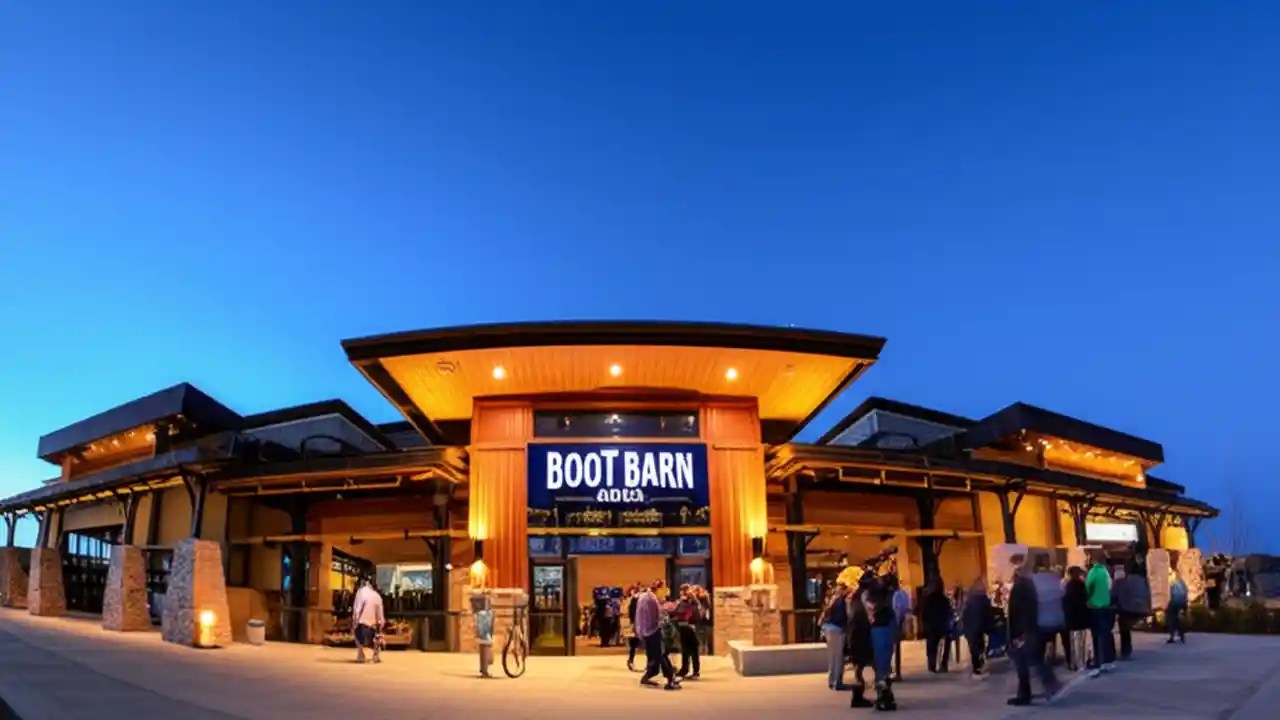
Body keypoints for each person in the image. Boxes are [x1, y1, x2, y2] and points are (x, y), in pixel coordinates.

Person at [1007, 556, 1061, 706]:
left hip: (1024, 629)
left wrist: (1016, 633)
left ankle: (1030, 691)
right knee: (1032, 658)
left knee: (1025, 660)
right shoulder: (1030, 586)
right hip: (1031, 628)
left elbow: (1016, 611)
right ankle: (1046, 684)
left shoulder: (1021, 587)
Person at [636, 581, 679, 690]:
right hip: (652, 631)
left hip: (645, 631)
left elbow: (639, 616)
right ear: (659, 589)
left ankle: (648, 676)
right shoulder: (652, 599)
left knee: (655, 656)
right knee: (661, 655)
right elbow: (656, 617)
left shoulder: (643, 597)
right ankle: (670, 679)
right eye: (664, 589)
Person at [864, 579, 897, 711]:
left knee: (880, 666)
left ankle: (882, 692)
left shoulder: (875, 609)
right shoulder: (887, 609)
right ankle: (884, 691)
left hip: (878, 634)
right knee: (884, 665)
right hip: (885, 633)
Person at [1030, 558, 1067, 668]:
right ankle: (1067, 658)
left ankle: (1040, 662)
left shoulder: (1033, 581)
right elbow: (1063, 596)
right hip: (1058, 619)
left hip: (1041, 620)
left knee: (1040, 643)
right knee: (1059, 638)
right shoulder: (1055, 579)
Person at [1085, 555, 1117, 678]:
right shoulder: (1105, 572)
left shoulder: (1093, 572)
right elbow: (1110, 586)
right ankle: (1109, 660)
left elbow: (1087, 587)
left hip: (1095, 606)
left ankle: (1098, 662)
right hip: (1106, 605)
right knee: (1106, 633)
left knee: (1096, 636)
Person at [1113, 560, 1151, 661]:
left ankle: (1125, 650)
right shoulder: (1143, 580)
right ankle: (1127, 650)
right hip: (1140, 608)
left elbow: (1115, 594)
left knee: (1124, 630)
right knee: (1126, 628)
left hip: (1126, 608)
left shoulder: (1122, 581)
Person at [848, 577, 876, 708]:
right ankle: (858, 697)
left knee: (859, 669)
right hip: (860, 640)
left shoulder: (856, 601)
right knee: (860, 670)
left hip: (857, 640)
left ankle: (858, 696)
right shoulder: (861, 602)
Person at [820, 580, 852, 690]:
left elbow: (824, 615)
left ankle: (831, 680)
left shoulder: (831, 600)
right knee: (838, 657)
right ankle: (837, 682)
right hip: (837, 629)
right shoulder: (842, 601)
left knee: (832, 657)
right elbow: (847, 616)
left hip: (828, 628)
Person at [961, 577, 991, 677]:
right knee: (979, 645)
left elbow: (964, 613)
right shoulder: (983, 598)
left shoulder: (969, 598)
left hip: (970, 626)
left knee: (974, 646)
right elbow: (987, 614)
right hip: (979, 626)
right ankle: (978, 666)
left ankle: (976, 667)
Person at [920, 577, 952, 673]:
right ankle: (944, 663)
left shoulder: (928, 599)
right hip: (942, 626)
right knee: (947, 641)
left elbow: (924, 613)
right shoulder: (944, 599)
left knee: (931, 645)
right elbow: (948, 612)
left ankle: (932, 664)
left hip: (931, 627)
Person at [1062, 566, 1090, 671]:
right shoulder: (1081, 585)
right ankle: (1081, 663)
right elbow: (1085, 599)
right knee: (1081, 641)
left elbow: (1066, 602)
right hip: (1081, 617)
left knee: (1073, 642)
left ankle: (1074, 663)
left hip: (1071, 618)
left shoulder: (1068, 586)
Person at [351, 579, 385, 664]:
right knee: (375, 638)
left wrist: (355, 621)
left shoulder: (361, 592)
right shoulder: (377, 596)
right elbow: (380, 613)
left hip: (362, 621)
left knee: (359, 638)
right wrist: (380, 624)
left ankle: (361, 654)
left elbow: (357, 608)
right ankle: (375, 655)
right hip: (373, 623)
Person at [674, 585, 702, 679]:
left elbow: (678, 613)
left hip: (686, 627)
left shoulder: (685, 602)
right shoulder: (694, 601)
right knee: (693, 650)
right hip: (690, 627)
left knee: (687, 650)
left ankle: (686, 670)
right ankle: (694, 671)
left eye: (681, 591)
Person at [887, 575, 912, 682]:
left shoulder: (894, 595)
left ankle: (890, 671)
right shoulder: (903, 594)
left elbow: (896, 609)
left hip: (892, 623)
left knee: (889, 649)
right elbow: (907, 608)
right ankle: (897, 672)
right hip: (899, 623)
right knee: (896, 648)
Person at [1167, 569, 1188, 644]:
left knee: (1172, 619)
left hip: (1175, 603)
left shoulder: (1175, 584)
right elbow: (1185, 594)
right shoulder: (1183, 584)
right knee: (1177, 620)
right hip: (1181, 603)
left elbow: (1171, 593)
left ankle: (1173, 636)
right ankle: (1180, 634)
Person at [626, 585, 641, 671]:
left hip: (637, 623)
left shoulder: (634, 600)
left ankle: (631, 660)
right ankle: (630, 660)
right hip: (638, 624)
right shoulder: (635, 600)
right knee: (635, 642)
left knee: (634, 643)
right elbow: (632, 613)